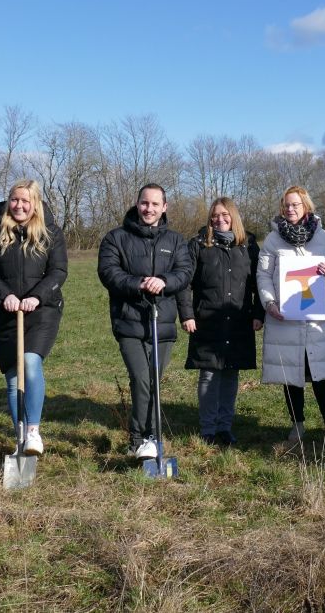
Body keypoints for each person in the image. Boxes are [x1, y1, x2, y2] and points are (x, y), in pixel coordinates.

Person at [98, 183, 194, 459]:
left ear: (164, 207)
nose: (149, 209)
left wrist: (163, 282)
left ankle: (151, 437)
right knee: (141, 378)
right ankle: (138, 439)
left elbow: (185, 272)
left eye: (155, 204)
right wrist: (139, 283)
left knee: (155, 381)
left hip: (162, 324)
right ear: (137, 204)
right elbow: (108, 272)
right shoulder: (116, 238)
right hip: (129, 322)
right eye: (144, 203)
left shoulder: (175, 241)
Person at [0, 179, 68, 457]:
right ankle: (19, 434)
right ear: (8, 202)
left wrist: (37, 297)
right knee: (13, 376)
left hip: (42, 311)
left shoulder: (50, 233)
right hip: (6, 313)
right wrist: (5, 296)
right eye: (15, 200)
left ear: (35, 204)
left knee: (30, 362)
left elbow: (58, 272)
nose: (19, 205)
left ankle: (33, 432)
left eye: (25, 201)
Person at [257, 186, 325, 447]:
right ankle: (298, 424)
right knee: (292, 376)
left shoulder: (323, 237)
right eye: (286, 205)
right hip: (284, 318)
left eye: (295, 204)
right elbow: (262, 275)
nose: (290, 209)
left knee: (321, 373)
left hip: (315, 319)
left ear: (306, 206)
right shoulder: (272, 240)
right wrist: (269, 302)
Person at [179, 197, 264, 446]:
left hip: (239, 320)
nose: (220, 219)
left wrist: (259, 314)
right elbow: (184, 283)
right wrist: (187, 314)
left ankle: (225, 427)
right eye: (215, 215)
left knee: (230, 373)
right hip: (207, 320)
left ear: (234, 216)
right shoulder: (197, 245)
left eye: (225, 215)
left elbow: (259, 283)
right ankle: (208, 428)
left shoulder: (248, 246)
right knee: (208, 374)